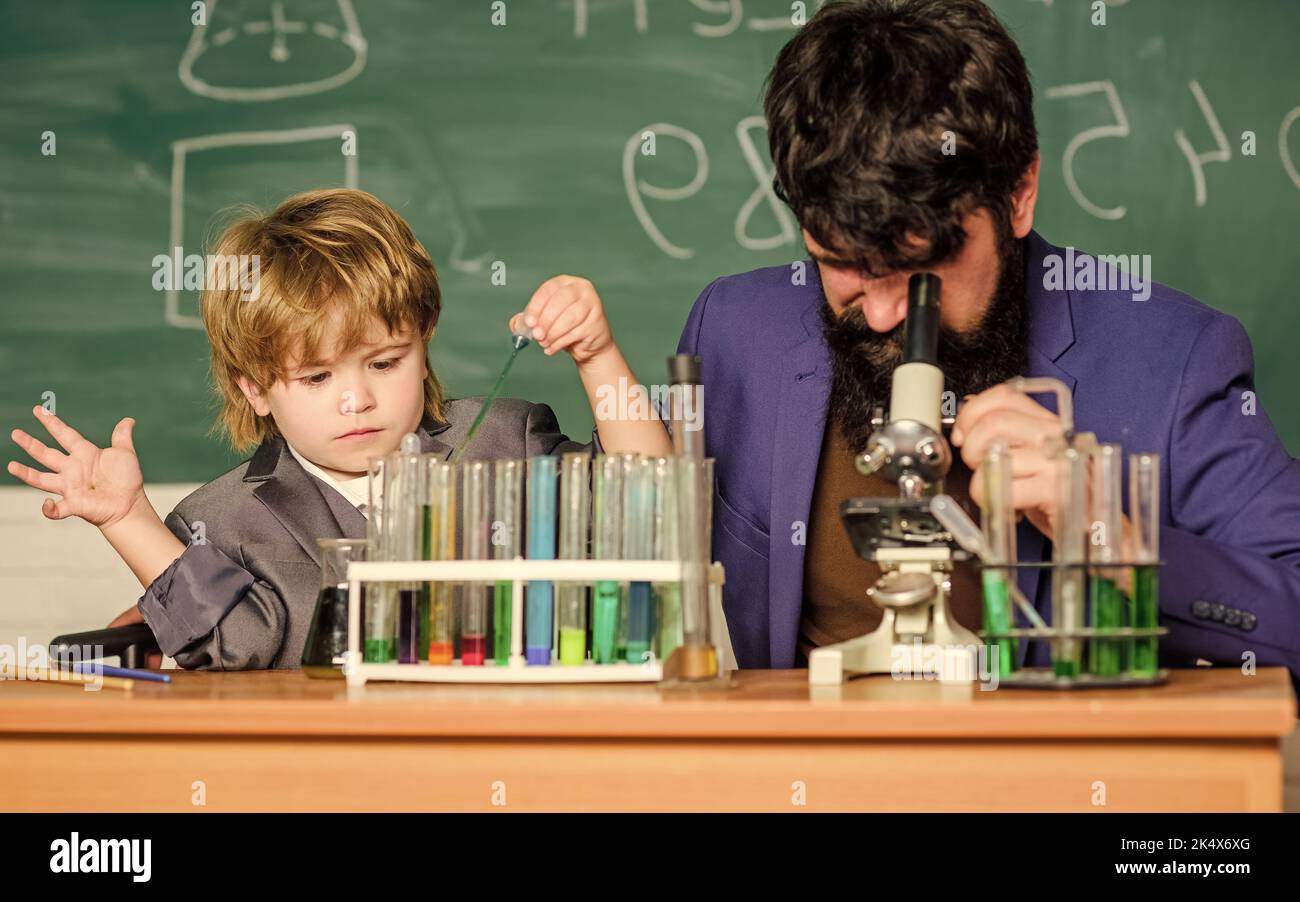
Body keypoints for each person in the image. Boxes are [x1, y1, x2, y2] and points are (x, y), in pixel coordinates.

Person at [676, 0, 1300, 681]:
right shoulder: (735, 333)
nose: (885, 315)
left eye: (920, 270)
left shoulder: (1173, 358)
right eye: (843, 263)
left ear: (1019, 193)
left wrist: (1113, 537)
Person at [7, 188, 668, 669]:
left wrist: (596, 354)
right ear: (256, 388)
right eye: (316, 378)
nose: (356, 399)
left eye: (384, 362)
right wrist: (128, 519)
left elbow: (651, 501)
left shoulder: (505, 438)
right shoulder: (222, 521)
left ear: (424, 339)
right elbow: (238, 644)